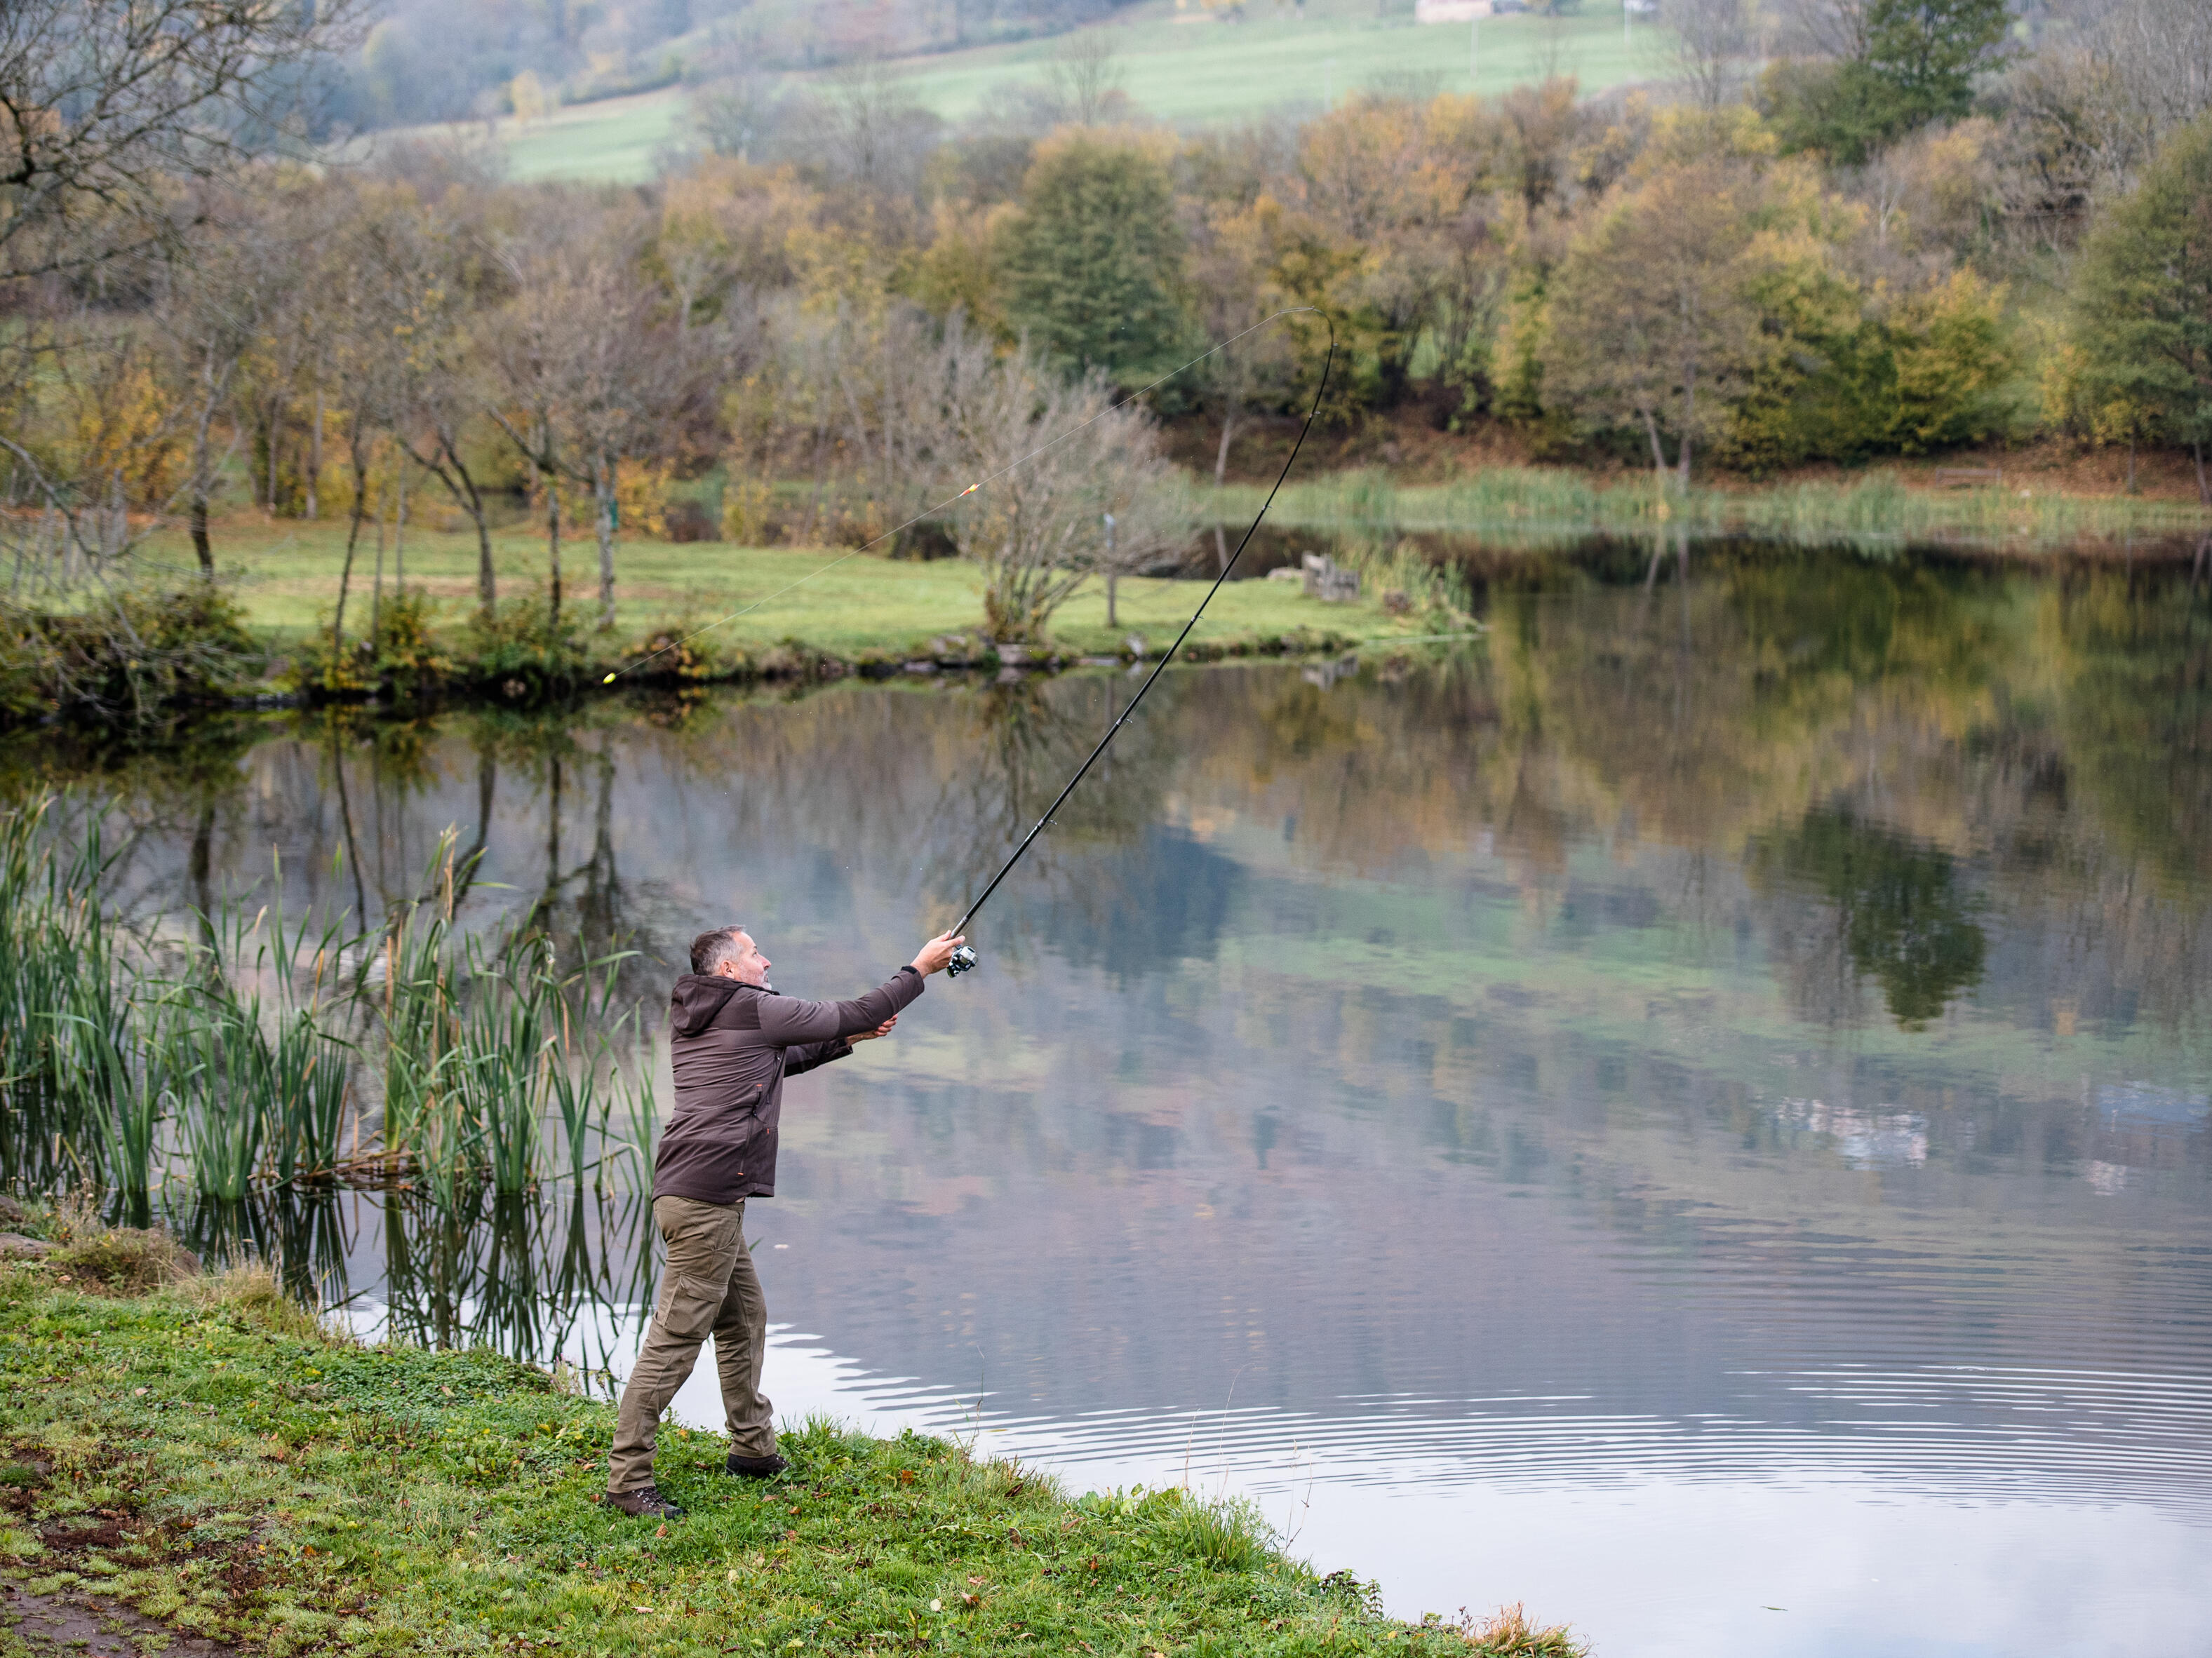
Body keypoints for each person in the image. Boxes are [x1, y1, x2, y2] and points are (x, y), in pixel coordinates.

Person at [605, 921, 966, 1519]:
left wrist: (850, 1040)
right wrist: (918, 970)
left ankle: (752, 1447)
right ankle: (627, 1479)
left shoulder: (712, 1012)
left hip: (700, 1195)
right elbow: (852, 1008)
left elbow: (785, 1058)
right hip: (704, 1200)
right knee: (674, 1340)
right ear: (728, 970)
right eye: (754, 955)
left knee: (744, 1314)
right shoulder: (747, 1006)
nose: (766, 962)